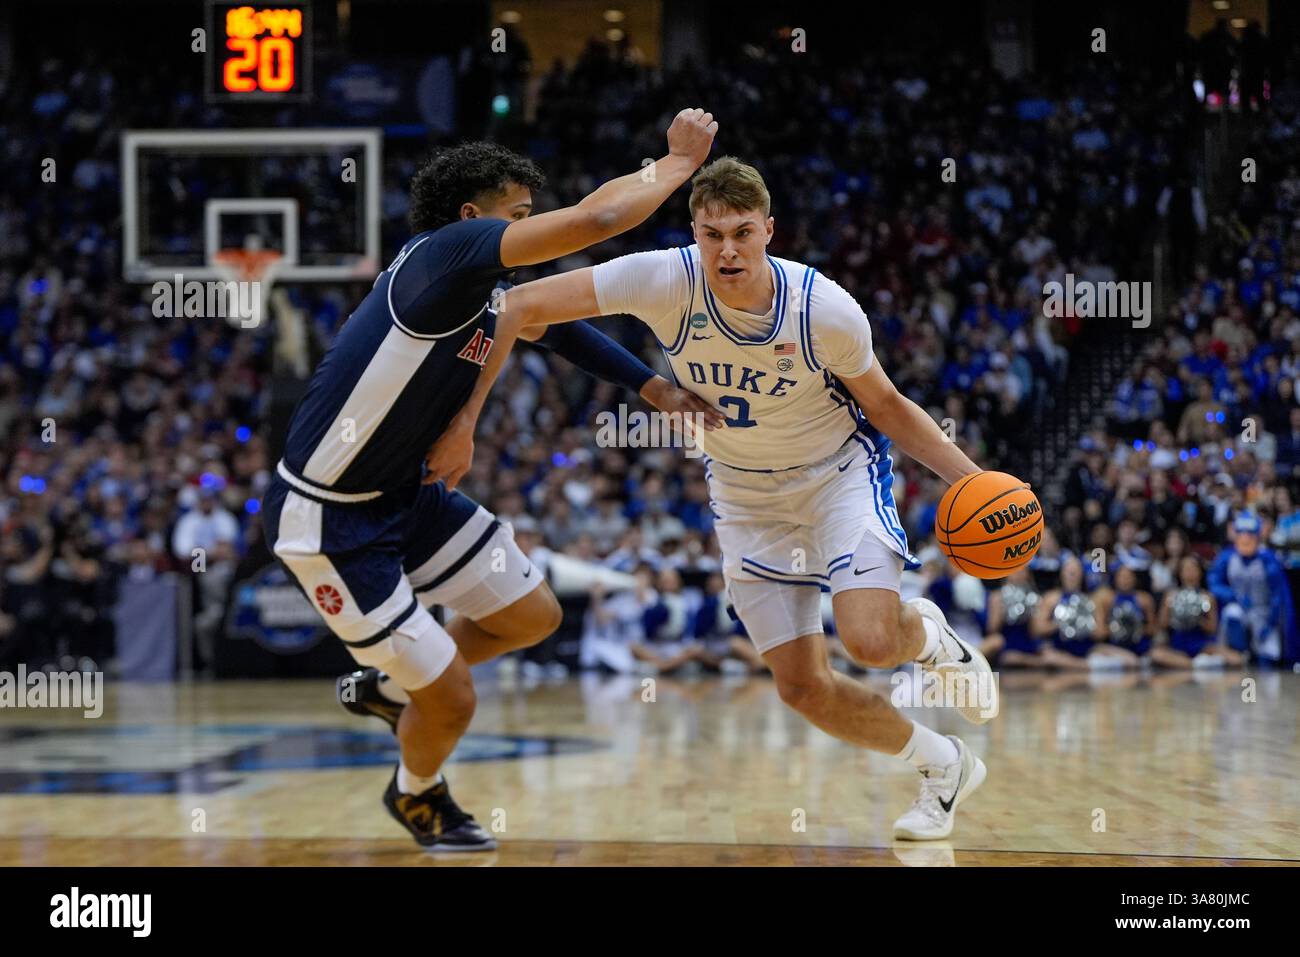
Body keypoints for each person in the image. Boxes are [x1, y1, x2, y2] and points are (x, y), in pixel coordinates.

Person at [425, 156, 1001, 841]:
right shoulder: (665, 276)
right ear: (693, 232)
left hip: (836, 477)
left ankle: (933, 639)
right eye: (711, 233)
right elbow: (518, 306)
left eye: (742, 232)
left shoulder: (825, 309)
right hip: (744, 493)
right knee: (801, 687)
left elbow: (889, 405)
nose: (726, 249)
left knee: (872, 641)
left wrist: (972, 477)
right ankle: (945, 766)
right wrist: (465, 423)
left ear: (769, 232)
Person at [260, 109, 721, 850]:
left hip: (404, 497)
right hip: (329, 519)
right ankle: (419, 793)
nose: (527, 228)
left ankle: (385, 687)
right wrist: (674, 164)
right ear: (473, 218)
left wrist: (652, 387)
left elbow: (553, 322)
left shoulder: (478, 285)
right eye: (518, 215)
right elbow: (598, 217)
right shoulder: (445, 255)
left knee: (532, 615)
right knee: (452, 697)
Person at [1207, 511, 1299, 665]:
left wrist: (1271, 621)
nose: (1245, 538)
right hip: (1240, 609)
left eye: (1250, 534)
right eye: (1241, 533)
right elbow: (1214, 582)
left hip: (1263, 612)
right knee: (1232, 614)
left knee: (1268, 654)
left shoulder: (1268, 559)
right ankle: (1241, 652)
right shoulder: (1227, 557)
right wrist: (1232, 595)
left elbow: (1278, 594)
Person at [1152, 555, 1244, 668]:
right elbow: (1162, 624)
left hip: (1202, 645)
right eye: (1185, 569)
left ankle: (1192, 663)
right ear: (1180, 573)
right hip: (1178, 645)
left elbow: (1212, 628)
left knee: (1236, 660)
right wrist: (1178, 616)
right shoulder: (1171, 596)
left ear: (1200, 572)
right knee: (1156, 655)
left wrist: (1196, 619)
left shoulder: (1207, 596)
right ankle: (1194, 664)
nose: (1189, 573)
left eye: (1193, 569)